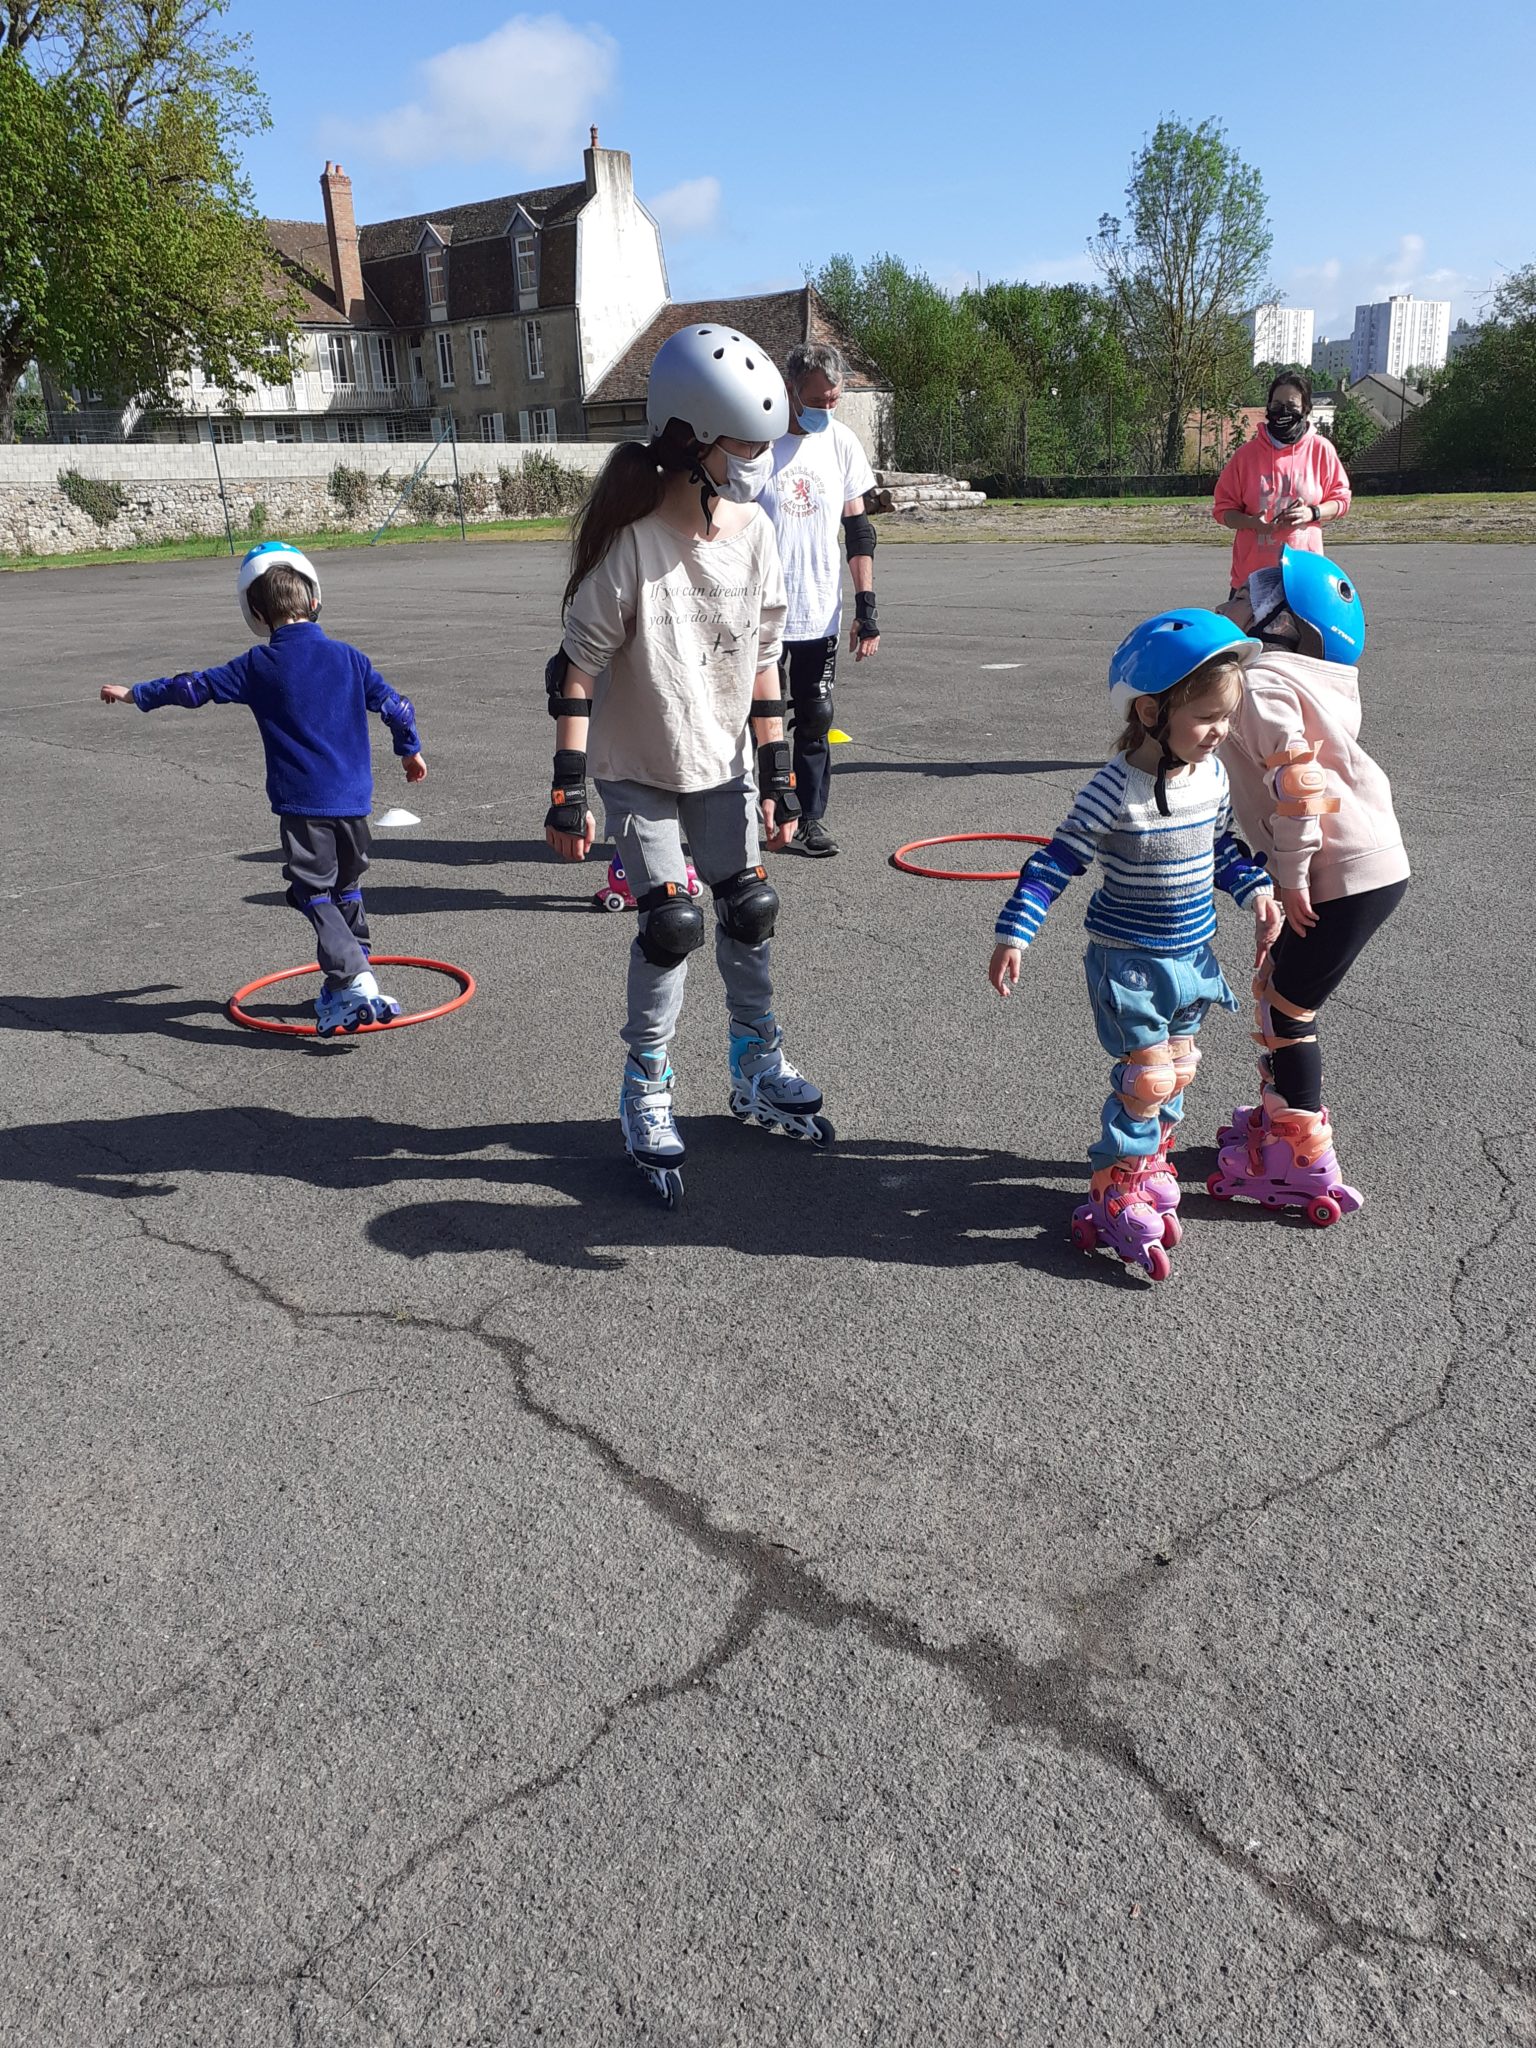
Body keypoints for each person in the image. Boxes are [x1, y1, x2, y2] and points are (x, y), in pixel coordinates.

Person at [543, 324, 831, 1209]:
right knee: (672, 923)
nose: (758, 462)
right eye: (743, 445)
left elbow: (765, 658)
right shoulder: (631, 546)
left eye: (762, 444)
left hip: (724, 762)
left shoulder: (753, 534)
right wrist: (565, 791)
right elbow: (578, 670)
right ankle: (646, 1084)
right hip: (638, 767)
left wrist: (778, 773)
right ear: (687, 441)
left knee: (748, 908)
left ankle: (755, 1061)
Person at [988, 611, 1281, 1281]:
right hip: (1130, 964)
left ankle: (1149, 1164)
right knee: (1146, 1078)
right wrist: (1015, 933)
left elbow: (1222, 852)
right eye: (1209, 717)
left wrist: (1257, 893)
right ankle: (1115, 1189)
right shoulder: (1111, 791)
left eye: (1226, 717)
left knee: (1179, 1068)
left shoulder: (1209, 778)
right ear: (1152, 711)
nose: (1222, 732)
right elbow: (1054, 862)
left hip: (1193, 957)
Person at [99, 541, 425, 1036]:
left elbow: (193, 688)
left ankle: (354, 980)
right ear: (314, 599)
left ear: (256, 612)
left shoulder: (257, 665)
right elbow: (397, 707)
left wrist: (135, 694)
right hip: (355, 800)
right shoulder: (351, 658)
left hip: (303, 803)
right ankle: (348, 983)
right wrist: (409, 750)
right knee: (346, 886)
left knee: (311, 891)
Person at [1210, 548, 1409, 1223]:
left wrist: (1290, 876)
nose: (1228, 595)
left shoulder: (1260, 682)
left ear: (1278, 623)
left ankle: (1302, 1159)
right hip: (1361, 866)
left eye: (1242, 591)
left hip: (1341, 874)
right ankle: (1281, 1119)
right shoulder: (1299, 676)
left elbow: (1298, 783)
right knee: (1274, 994)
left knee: (1286, 1013)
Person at [755, 340, 880, 857]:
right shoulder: (756, 444)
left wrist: (866, 606)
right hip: (761, 614)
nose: (828, 410)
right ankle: (758, 811)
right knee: (755, 721)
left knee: (816, 716)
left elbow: (858, 529)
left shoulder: (842, 443)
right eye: (818, 401)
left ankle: (809, 818)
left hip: (819, 612)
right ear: (789, 391)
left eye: (835, 400)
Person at [1213, 370, 1351, 599]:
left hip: (1303, 577)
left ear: (1306, 409)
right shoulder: (1246, 456)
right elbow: (1222, 510)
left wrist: (1312, 512)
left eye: (1291, 404)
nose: (1283, 411)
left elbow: (1342, 500)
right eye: (1276, 404)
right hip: (1251, 580)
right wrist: (1250, 522)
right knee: (1248, 635)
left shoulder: (1321, 450)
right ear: (1267, 408)